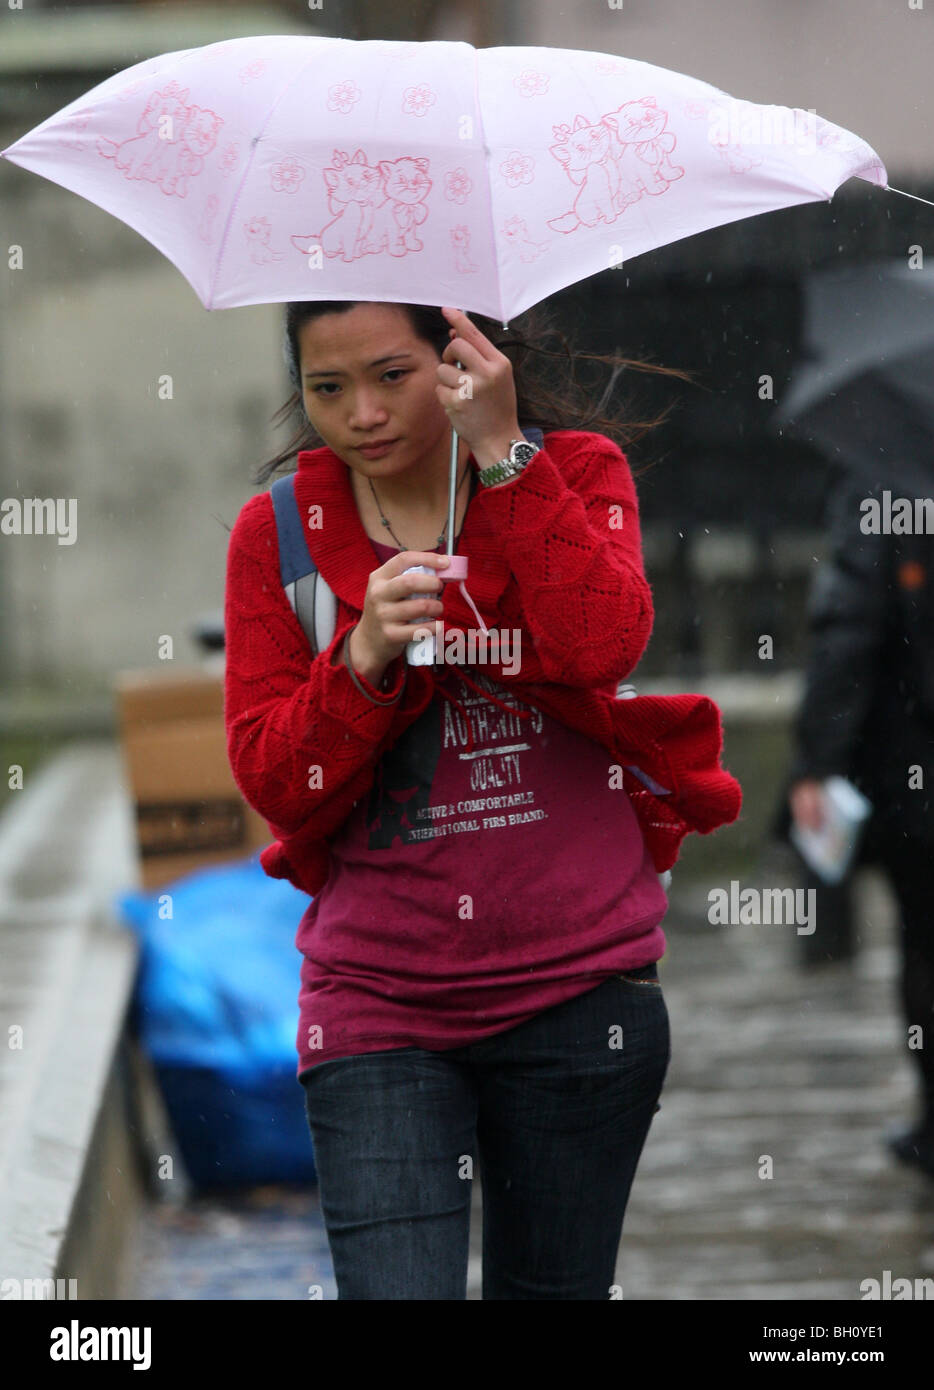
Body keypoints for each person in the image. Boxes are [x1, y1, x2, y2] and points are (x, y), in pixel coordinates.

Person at [223, 299, 741, 1299]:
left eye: (390, 375)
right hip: (379, 1001)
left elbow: (603, 647)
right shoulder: (281, 533)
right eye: (327, 389)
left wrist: (503, 455)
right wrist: (364, 654)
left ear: (461, 358)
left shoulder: (576, 471)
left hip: (582, 991)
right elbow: (278, 783)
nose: (361, 414)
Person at [783, 462, 934, 1179]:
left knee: (926, 942)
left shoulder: (889, 482)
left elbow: (850, 628)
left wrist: (818, 759)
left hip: (919, 775)